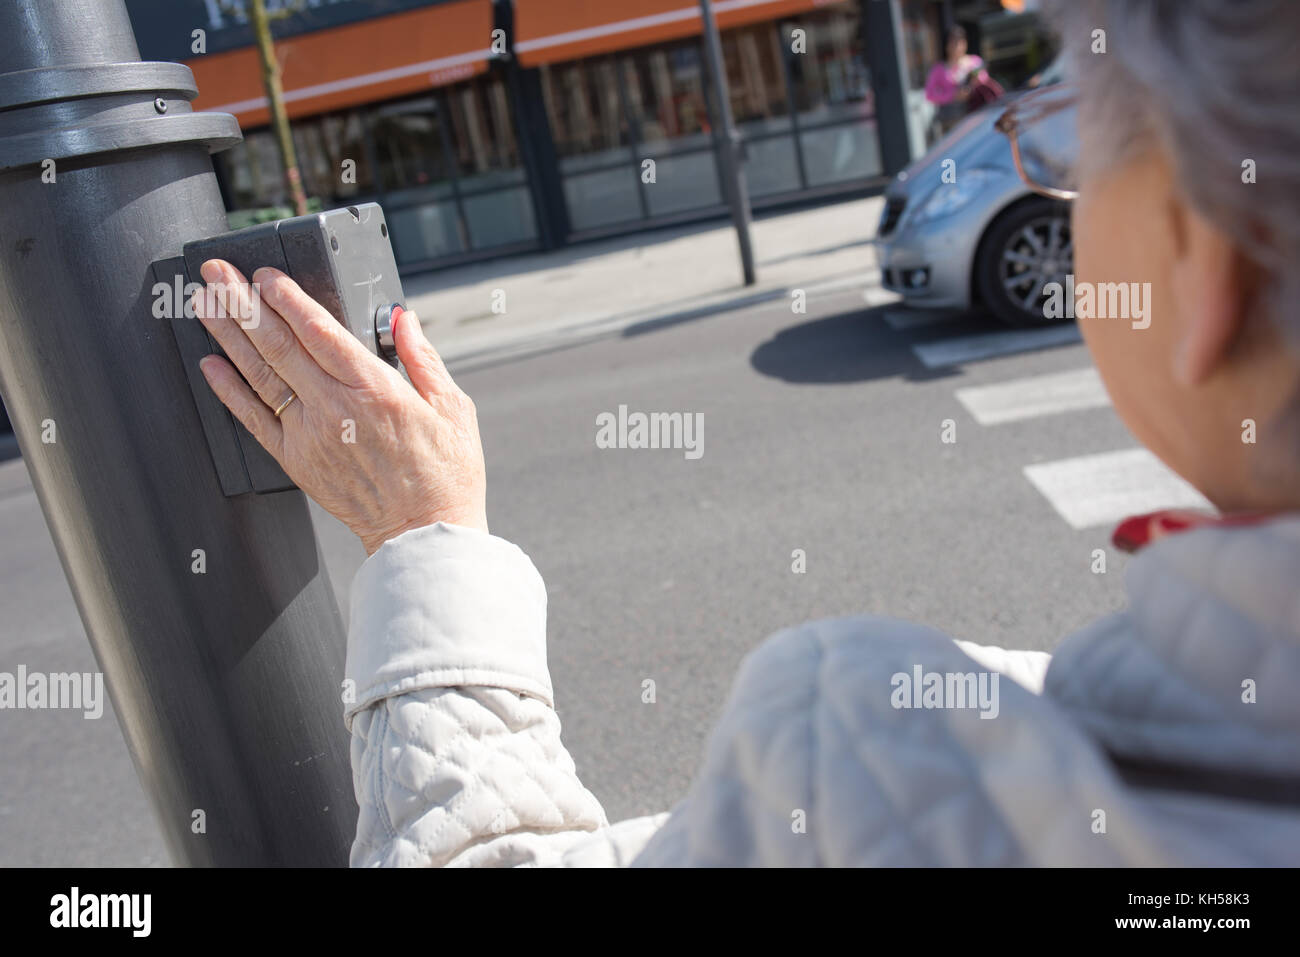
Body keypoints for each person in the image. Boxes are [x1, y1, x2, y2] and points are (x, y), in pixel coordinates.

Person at [192, 0, 1300, 866]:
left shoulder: (871, 775)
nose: (1057, 197)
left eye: (1071, 148)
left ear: (1208, 258)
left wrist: (423, 535)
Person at [924, 24, 996, 134]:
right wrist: (953, 95)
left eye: (961, 42)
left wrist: (972, 83)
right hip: (951, 119)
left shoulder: (974, 62)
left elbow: (985, 81)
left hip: (976, 114)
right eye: (954, 42)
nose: (958, 46)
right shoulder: (939, 69)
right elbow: (930, 94)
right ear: (947, 45)